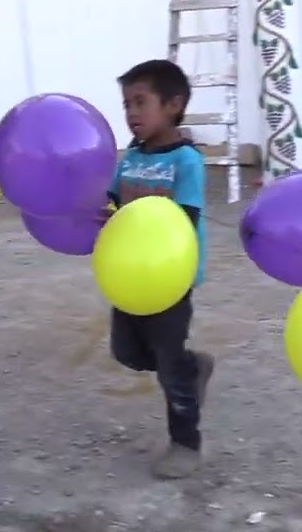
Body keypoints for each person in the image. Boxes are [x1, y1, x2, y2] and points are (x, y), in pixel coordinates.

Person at [105, 59, 216, 480]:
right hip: (129, 276)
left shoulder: (186, 160)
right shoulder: (130, 156)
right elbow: (112, 202)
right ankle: (191, 367)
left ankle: (186, 442)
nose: (132, 112)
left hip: (170, 278)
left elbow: (184, 220)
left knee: (166, 363)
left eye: (141, 102)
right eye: (126, 104)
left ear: (173, 105)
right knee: (127, 351)